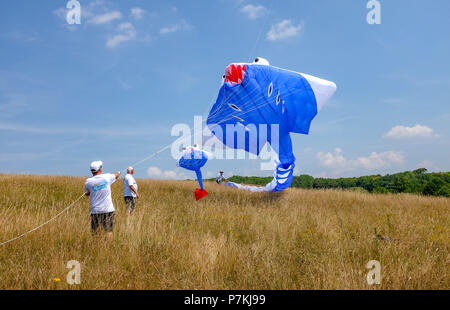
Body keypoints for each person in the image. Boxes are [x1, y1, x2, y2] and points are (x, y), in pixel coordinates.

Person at [84, 161, 120, 239]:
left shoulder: (88, 182)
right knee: (109, 230)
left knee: (95, 231)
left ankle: (96, 246)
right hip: (108, 209)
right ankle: (109, 247)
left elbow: (87, 193)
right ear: (100, 169)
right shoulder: (107, 177)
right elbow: (116, 175)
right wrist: (119, 172)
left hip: (95, 210)